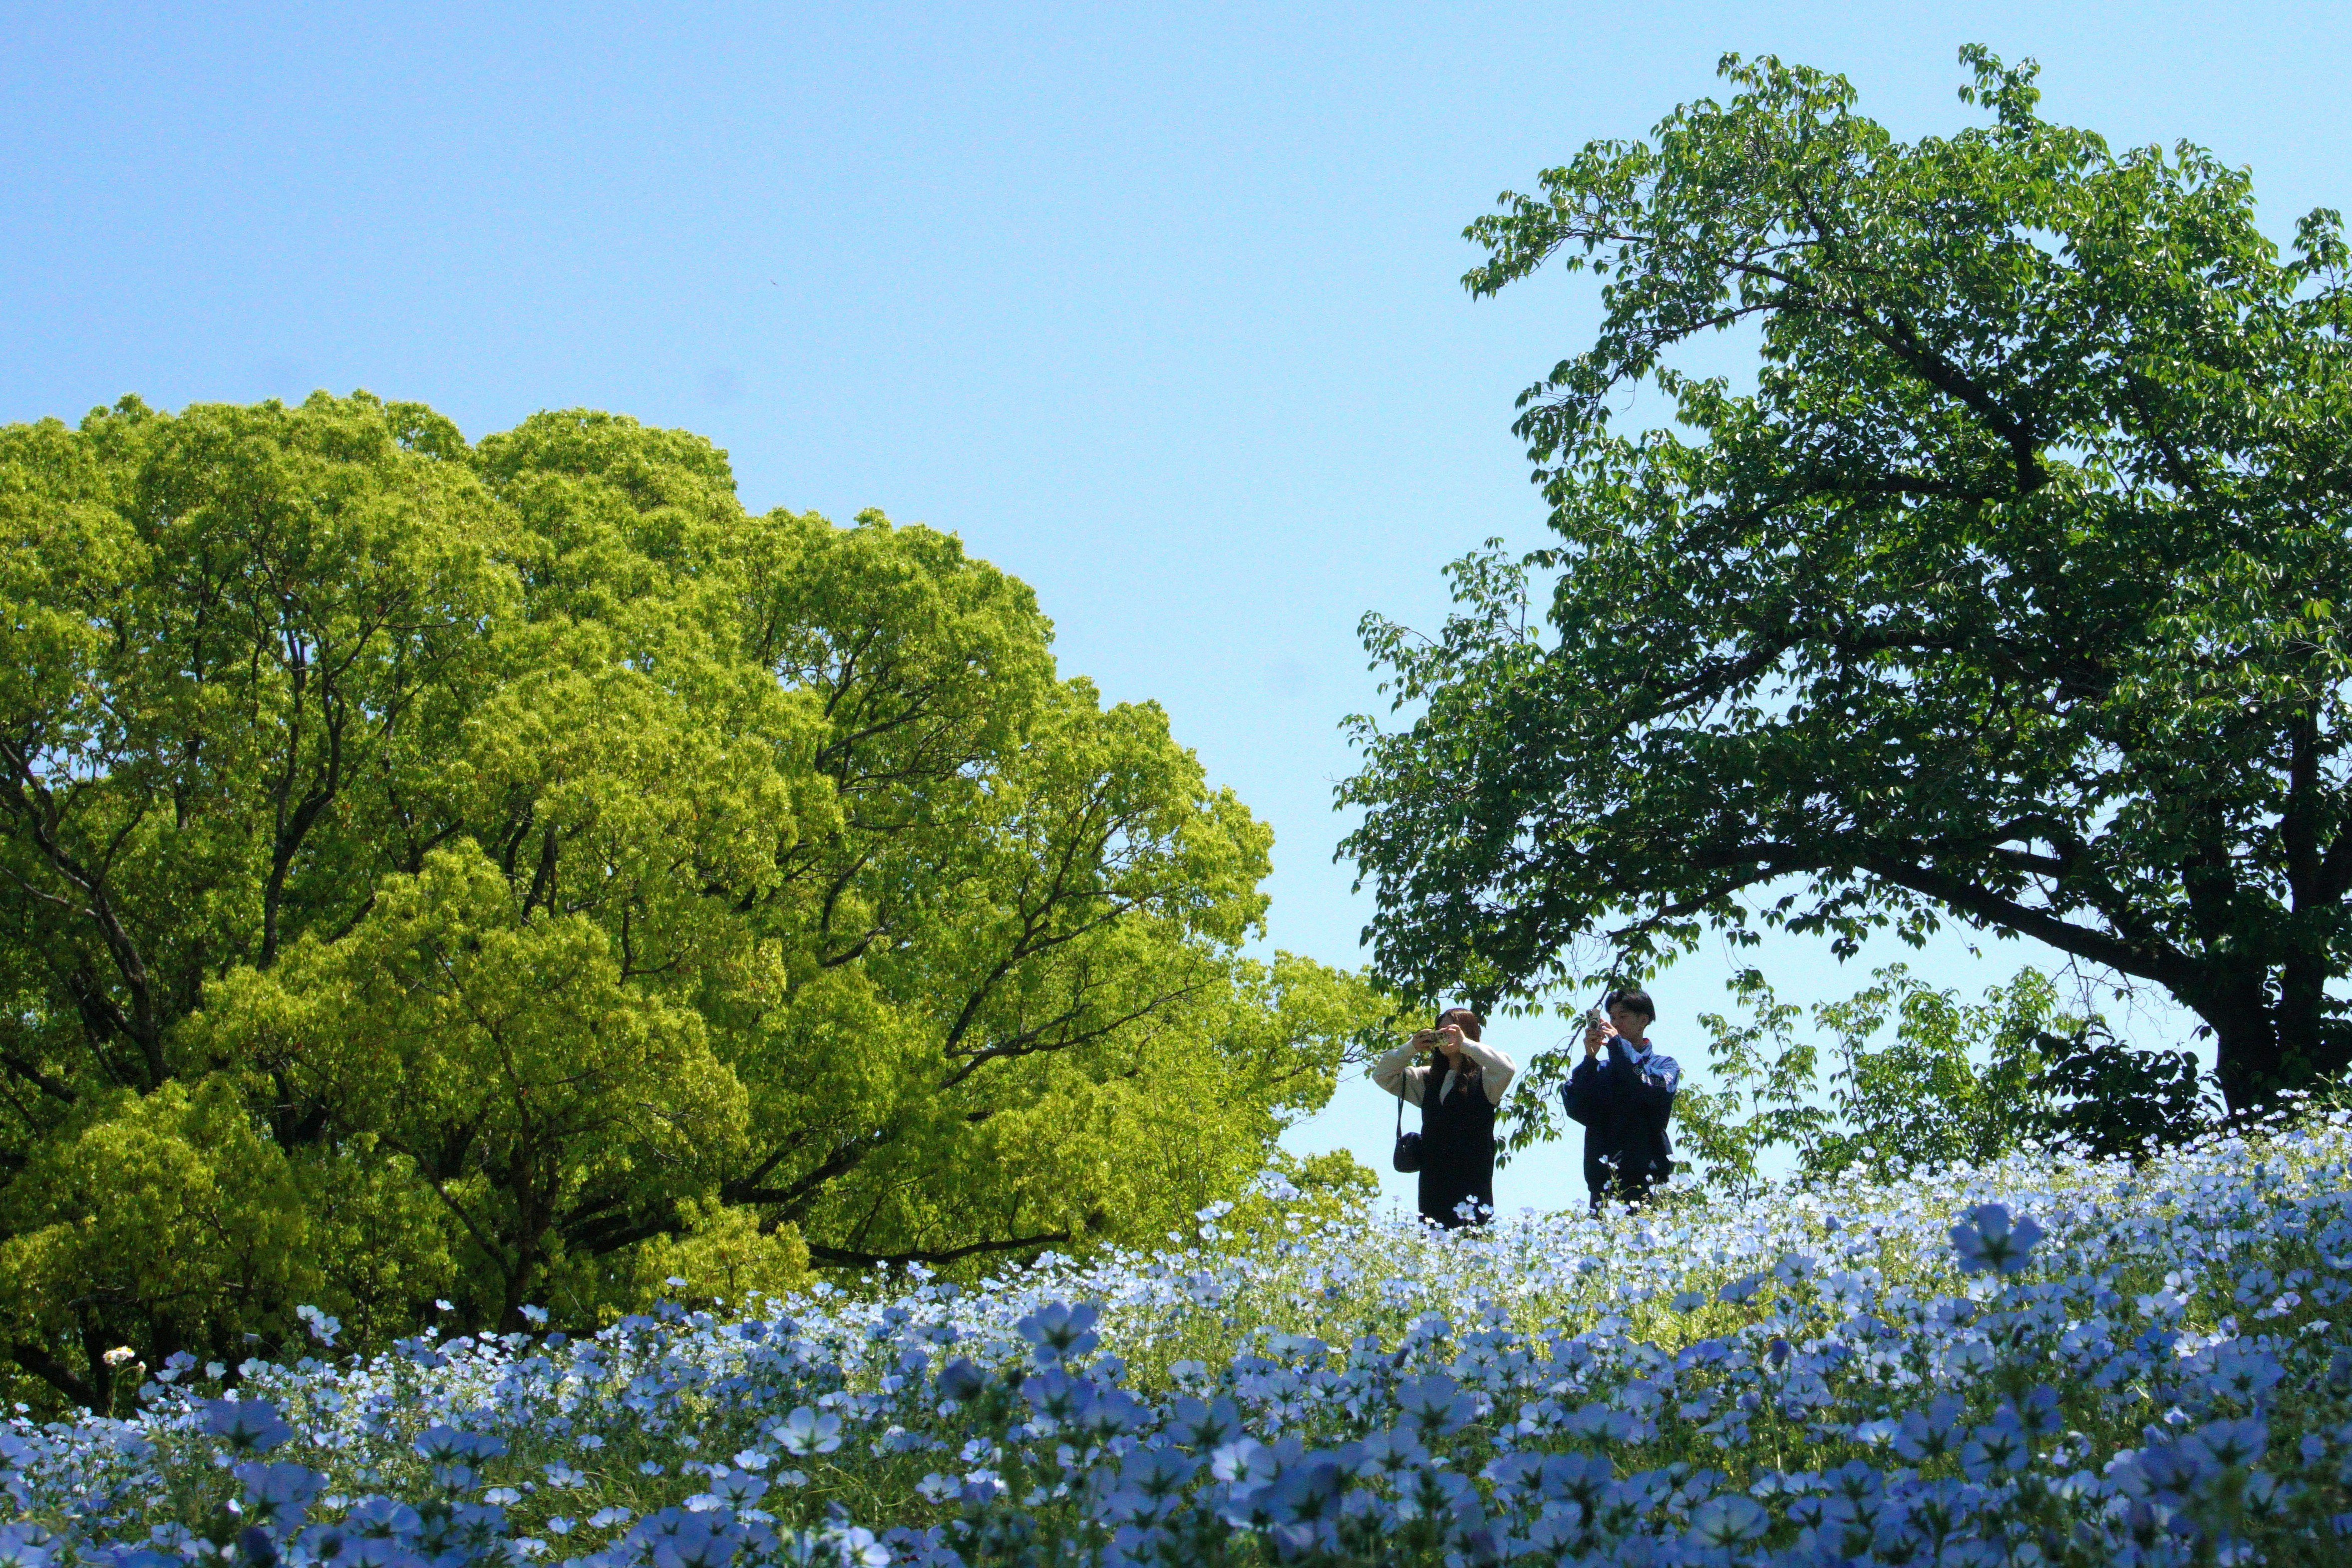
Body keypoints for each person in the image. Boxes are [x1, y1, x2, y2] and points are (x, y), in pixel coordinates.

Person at [1372, 1007, 1517, 1229]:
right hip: (1433, 1185)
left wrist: (1466, 1044)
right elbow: (1382, 1075)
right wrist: (1411, 1047)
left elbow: (1506, 1068)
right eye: (1440, 1030)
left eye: (1451, 1030)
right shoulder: (1426, 1079)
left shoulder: (1486, 1080)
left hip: (1472, 1187)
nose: (1444, 1035)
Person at [1559, 987, 1679, 1211]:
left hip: (1647, 1181)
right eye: (1612, 1018)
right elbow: (1576, 1106)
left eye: (1623, 1017)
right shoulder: (1601, 1070)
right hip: (1603, 1182)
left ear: (1644, 1020)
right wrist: (1589, 1058)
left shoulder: (1665, 1065)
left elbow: (1648, 1084)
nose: (1615, 1024)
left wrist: (1617, 1047)